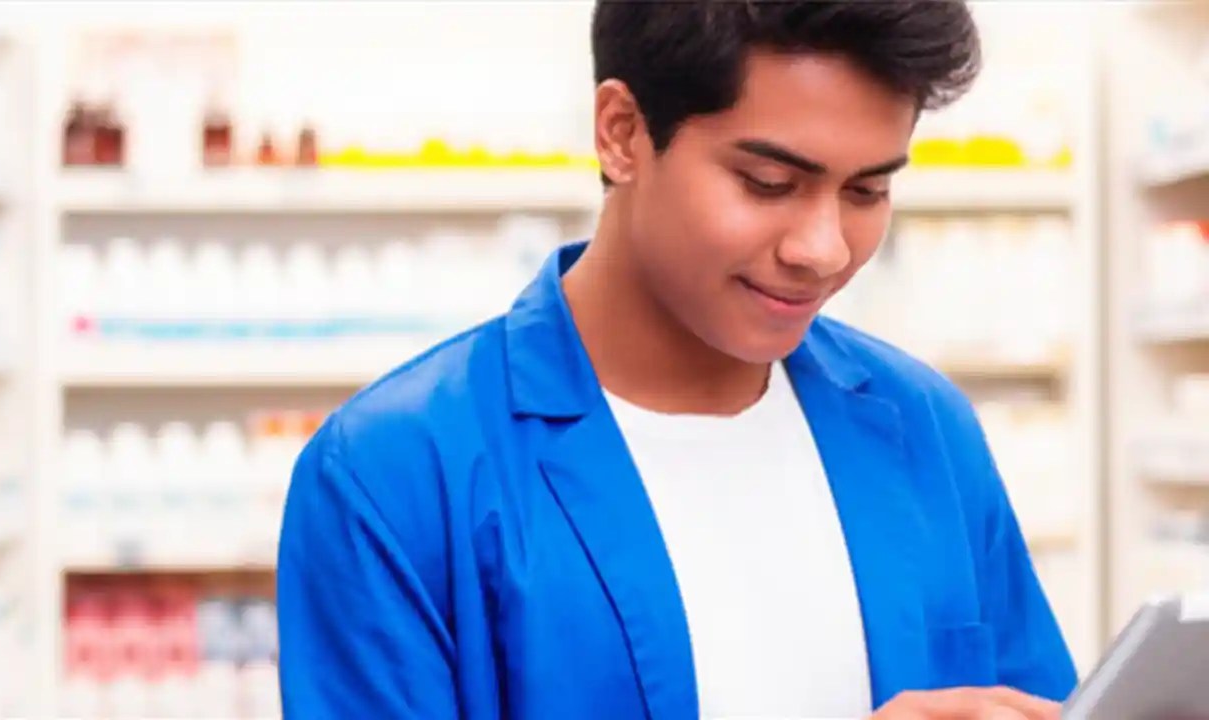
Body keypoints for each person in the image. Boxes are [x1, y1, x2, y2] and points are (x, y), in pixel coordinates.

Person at [276, 1, 1078, 718]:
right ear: (622, 132)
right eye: (768, 183)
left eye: (866, 192)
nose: (824, 249)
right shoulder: (394, 474)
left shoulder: (922, 424)